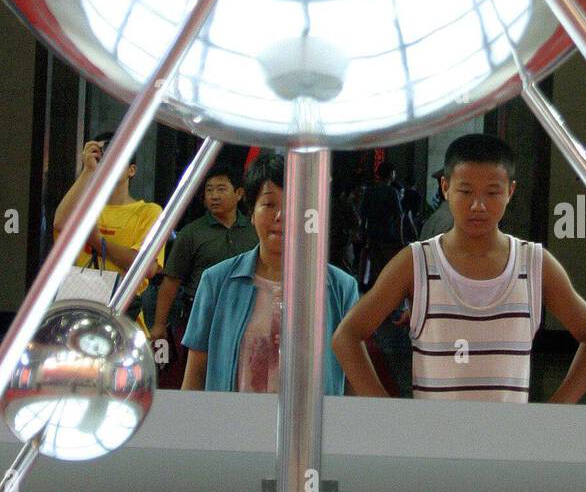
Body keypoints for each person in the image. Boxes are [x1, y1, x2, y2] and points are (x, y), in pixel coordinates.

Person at [333, 133, 586, 402]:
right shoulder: (415, 263)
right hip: (433, 443)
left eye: (492, 193)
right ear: (445, 188)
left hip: (507, 444)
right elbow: (347, 335)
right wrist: (385, 411)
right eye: (465, 191)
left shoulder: (535, 264)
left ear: (510, 191)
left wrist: (555, 413)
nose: (478, 205)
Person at [181, 152, 359, 393]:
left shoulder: (340, 288)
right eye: (269, 204)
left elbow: (352, 380)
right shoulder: (216, 282)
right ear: (251, 213)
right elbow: (195, 376)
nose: (281, 216)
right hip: (233, 426)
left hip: (308, 429)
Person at [53, 132, 163, 334]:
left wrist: (96, 240)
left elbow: (146, 267)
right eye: (105, 157)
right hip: (81, 317)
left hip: (125, 322)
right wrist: (88, 170)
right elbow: (60, 222)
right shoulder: (86, 207)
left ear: (132, 170)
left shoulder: (149, 211)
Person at [148, 165, 255, 358]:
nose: (214, 195)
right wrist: (159, 324)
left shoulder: (254, 231)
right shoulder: (191, 233)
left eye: (221, 189)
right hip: (200, 315)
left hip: (247, 315)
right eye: (209, 189)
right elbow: (171, 281)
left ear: (239, 194)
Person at [358, 160, 404, 289]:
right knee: (389, 268)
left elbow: (363, 215)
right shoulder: (392, 192)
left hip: (372, 235)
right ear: (391, 174)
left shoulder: (369, 191)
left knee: (375, 267)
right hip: (388, 235)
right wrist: (400, 237)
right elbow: (398, 217)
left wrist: (362, 233)